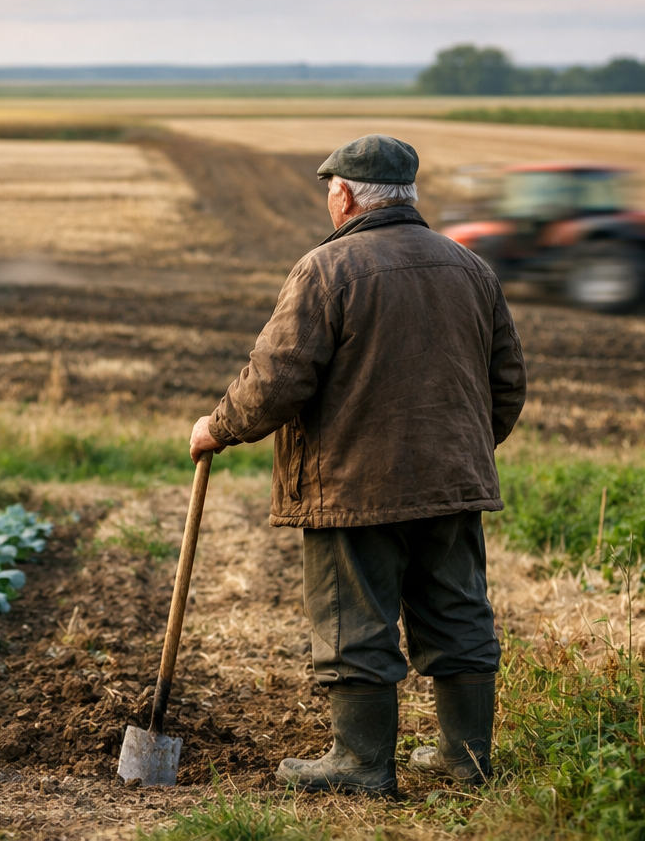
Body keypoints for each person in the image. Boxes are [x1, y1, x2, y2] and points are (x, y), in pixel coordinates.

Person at [188, 134, 526, 795]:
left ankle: (361, 764)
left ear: (344, 196)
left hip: (354, 487)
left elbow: (277, 380)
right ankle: (468, 762)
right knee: (457, 615)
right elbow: (507, 382)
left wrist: (218, 428)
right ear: (407, 195)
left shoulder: (327, 269)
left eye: (328, 192)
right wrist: (460, 452)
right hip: (452, 485)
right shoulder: (470, 267)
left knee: (355, 622)